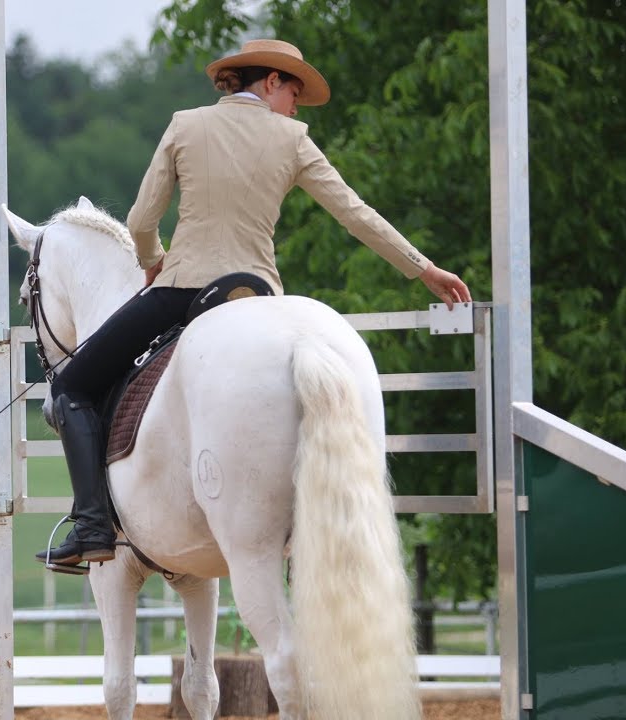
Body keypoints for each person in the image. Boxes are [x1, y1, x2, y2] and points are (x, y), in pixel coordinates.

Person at [36, 38, 472, 569]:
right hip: (257, 295)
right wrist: (422, 268)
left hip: (180, 292)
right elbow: (354, 214)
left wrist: (152, 260)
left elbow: (140, 222)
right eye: (294, 91)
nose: (295, 104)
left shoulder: (185, 124)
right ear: (270, 81)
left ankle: (92, 524)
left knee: (72, 386)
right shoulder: (293, 138)